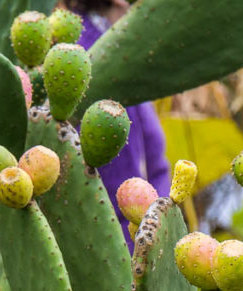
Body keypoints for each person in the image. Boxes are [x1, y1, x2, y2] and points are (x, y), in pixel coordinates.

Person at [66, 0, 171, 249]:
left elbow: (154, 157)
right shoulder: (88, 52)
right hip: (114, 243)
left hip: (140, 229)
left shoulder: (119, 50)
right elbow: (118, 178)